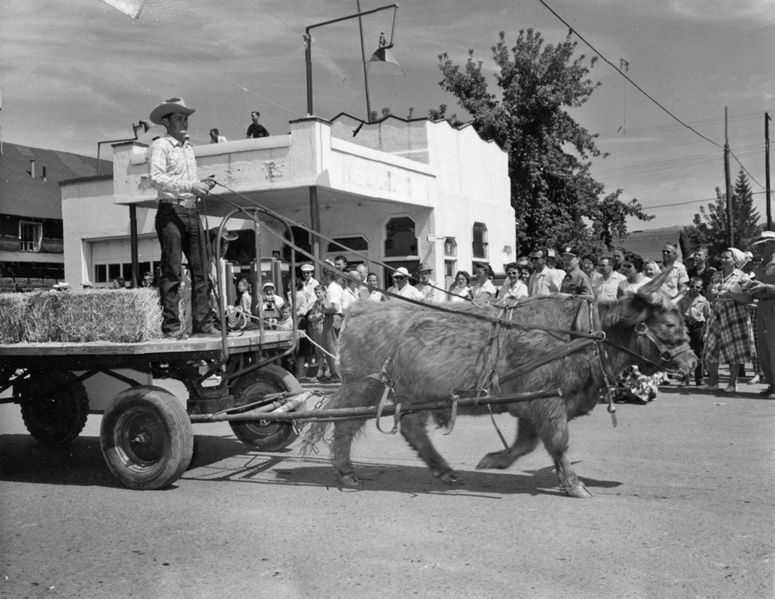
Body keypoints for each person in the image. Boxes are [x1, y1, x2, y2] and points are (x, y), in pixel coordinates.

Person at [147, 97, 218, 339]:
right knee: (173, 270)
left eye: (186, 117)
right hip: (170, 211)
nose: (185, 121)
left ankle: (203, 325)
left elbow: (189, 184)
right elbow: (156, 177)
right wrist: (191, 185)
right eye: (180, 117)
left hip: (191, 210)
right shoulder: (160, 146)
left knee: (202, 270)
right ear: (166, 122)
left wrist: (199, 187)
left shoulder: (189, 149)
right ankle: (171, 327)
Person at [702, 248, 753, 393]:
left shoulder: (742, 277)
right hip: (717, 314)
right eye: (722, 258)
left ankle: (732, 383)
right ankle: (713, 381)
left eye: (727, 258)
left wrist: (731, 294)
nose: (723, 260)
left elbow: (749, 299)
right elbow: (709, 297)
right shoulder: (716, 275)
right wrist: (710, 293)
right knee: (711, 347)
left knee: (734, 350)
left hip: (734, 315)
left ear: (735, 261)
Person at [746, 231, 775, 397]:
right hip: (762, 308)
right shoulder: (762, 265)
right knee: (764, 348)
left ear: (772, 244)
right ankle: (772, 383)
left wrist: (767, 288)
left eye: (764, 245)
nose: (761, 248)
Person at [678, 276, 711, 386]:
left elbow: (707, 317)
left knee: (699, 354)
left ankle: (699, 378)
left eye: (697, 287)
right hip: (686, 327)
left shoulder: (704, 301)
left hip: (699, 327)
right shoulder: (682, 299)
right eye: (692, 286)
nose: (694, 289)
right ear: (688, 287)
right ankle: (685, 377)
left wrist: (706, 332)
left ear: (701, 288)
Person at [321, 264, 343, 382]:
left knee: (331, 347)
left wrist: (323, 308)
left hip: (332, 318)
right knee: (336, 347)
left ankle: (336, 374)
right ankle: (337, 373)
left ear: (327, 275)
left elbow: (334, 307)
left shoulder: (331, 289)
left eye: (323, 275)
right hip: (338, 318)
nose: (321, 278)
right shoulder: (338, 287)